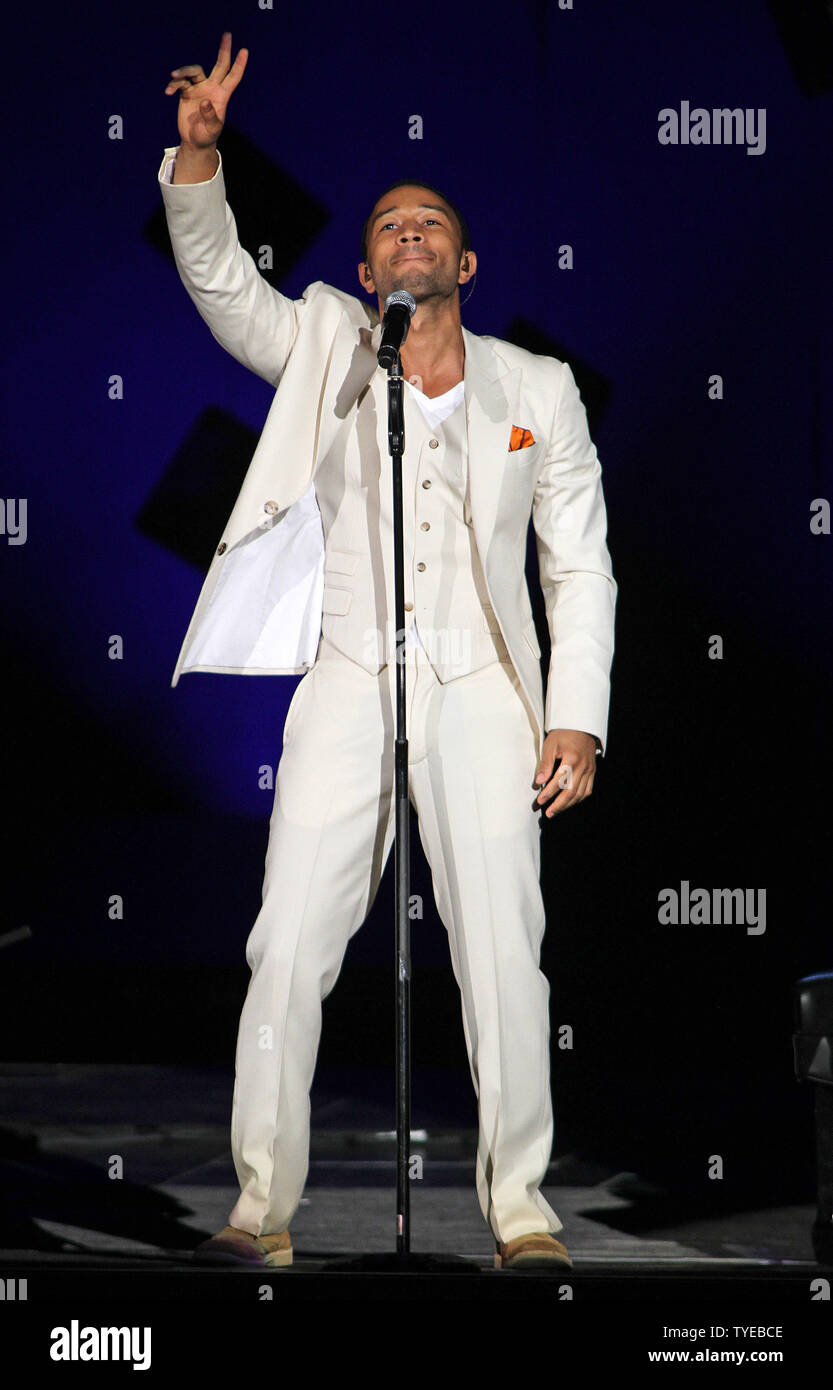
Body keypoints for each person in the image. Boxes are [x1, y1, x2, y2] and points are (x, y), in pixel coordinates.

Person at [159, 31, 617, 1272]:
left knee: (501, 955)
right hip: (349, 678)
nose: (408, 232)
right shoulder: (321, 342)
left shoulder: (539, 390)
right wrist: (199, 162)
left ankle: (520, 1213)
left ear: (463, 261)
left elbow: (575, 563)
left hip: (479, 688)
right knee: (286, 941)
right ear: (367, 268)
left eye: (429, 224)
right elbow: (220, 287)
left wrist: (572, 713)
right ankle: (258, 1213)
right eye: (387, 226)